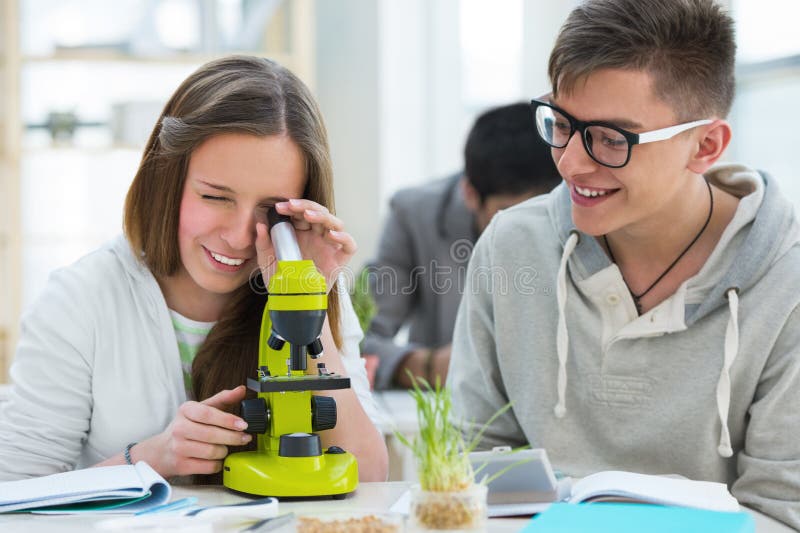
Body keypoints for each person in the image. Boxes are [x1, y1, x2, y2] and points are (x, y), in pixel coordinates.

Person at [448, 0, 800, 528]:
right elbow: (471, 470)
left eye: (612, 139)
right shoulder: (510, 246)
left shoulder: (787, 283)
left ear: (705, 145)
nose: (570, 162)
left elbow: (779, 512)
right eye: (561, 123)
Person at [0, 56, 388, 482]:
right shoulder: (81, 300)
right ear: (167, 180)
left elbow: (368, 477)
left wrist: (307, 298)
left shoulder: (304, 289)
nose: (240, 237)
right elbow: (15, 496)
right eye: (216, 197)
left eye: (268, 210)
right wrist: (153, 457)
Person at [363, 103, 561, 390]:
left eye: (537, 210)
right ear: (470, 194)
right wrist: (429, 366)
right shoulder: (414, 215)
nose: (525, 229)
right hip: (447, 411)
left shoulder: (574, 210)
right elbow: (354, 341)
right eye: (507, 213)